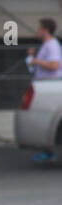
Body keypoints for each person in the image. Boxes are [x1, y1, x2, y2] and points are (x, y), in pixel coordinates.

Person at [26, 18, 61, 163]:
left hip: (50, 87)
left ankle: (50, 152)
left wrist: (35, 61)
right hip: (46, 86)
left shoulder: (52, 45)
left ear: (45, 30)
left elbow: (54, 65)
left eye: (39, 28)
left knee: (49, 118)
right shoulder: (47, 45)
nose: (37, 31)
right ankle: (48, 151)